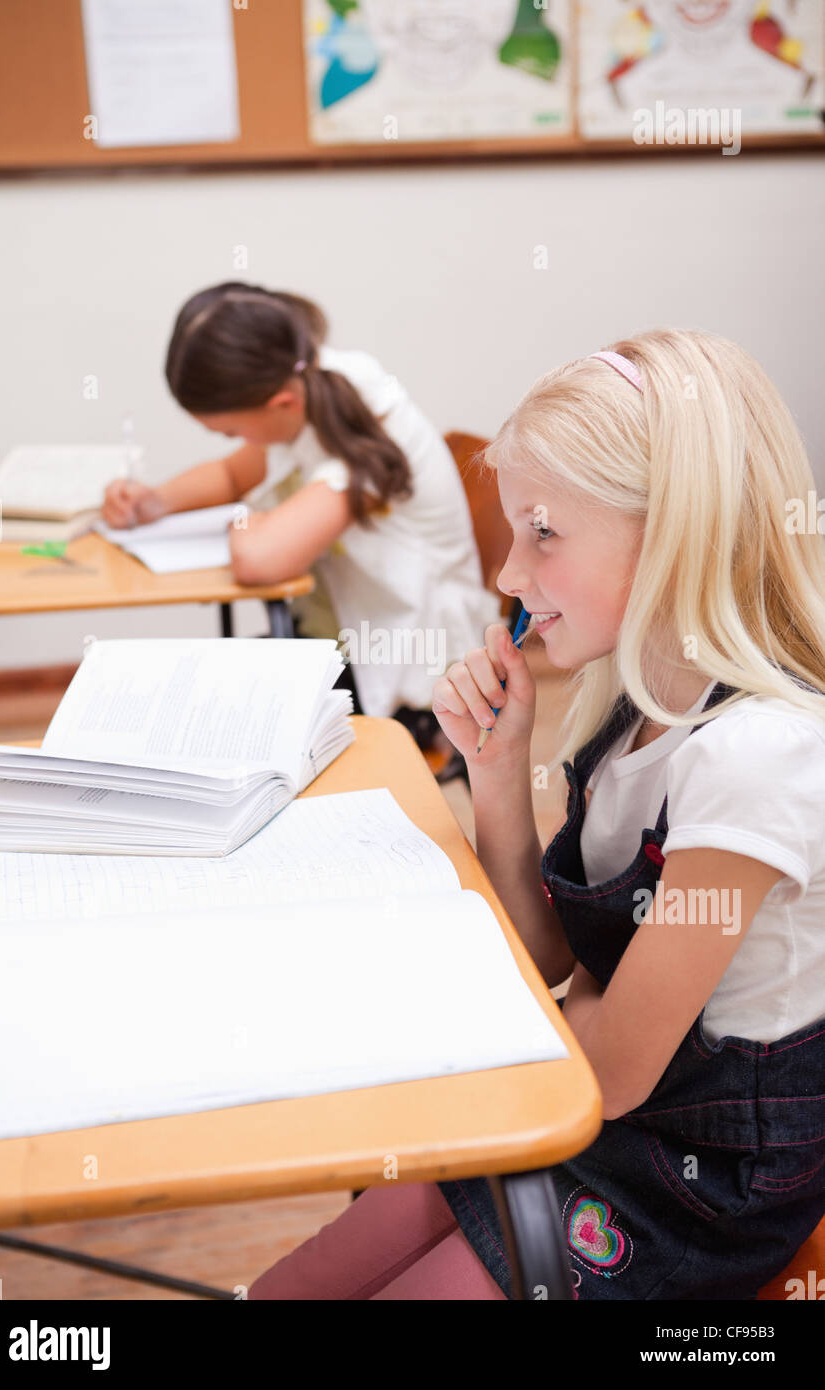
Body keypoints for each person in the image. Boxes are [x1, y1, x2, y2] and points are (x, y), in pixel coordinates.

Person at [248, 327, 825, 1299]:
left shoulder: (754, 760)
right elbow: (548, 961)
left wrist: (579, 1006)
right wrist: (496, 764)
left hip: (697, 1174)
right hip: (587, 1098)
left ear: (675, 529)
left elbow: (613, 1072)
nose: (508, 574)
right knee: (297, 1285)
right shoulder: (634, 700)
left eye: (542, 532)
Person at [101, 281, 499, 746]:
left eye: (230, 430)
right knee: (179, 689)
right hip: (337, 639)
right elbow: (234, 476)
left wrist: (246, 519)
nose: (233, 441)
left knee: (200, 715)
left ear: (281, 404)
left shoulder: (365, 429)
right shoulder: (307, 381)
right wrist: (154, 501)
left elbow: (258, 559)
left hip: (412, 675)